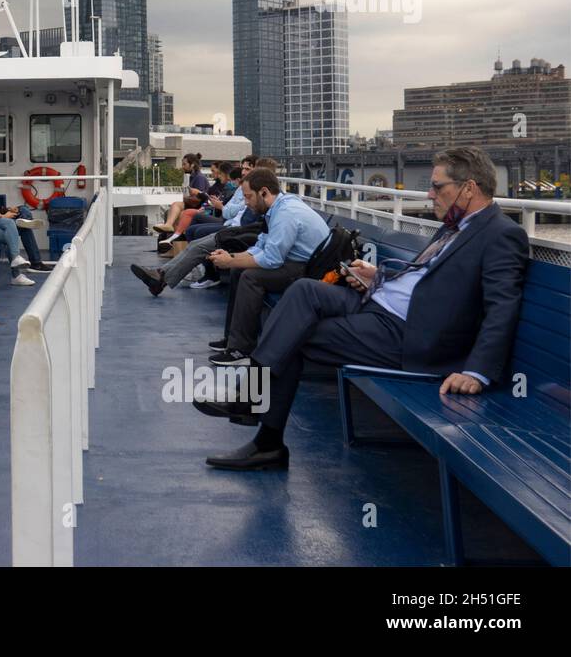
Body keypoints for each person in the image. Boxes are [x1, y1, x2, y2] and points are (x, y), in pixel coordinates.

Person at [193, 147, 529, 470]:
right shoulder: (453, 228)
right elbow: (425, 279)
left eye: (437, 186)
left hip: (407, 334)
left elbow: (502, 306)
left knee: (292, 336)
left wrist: (476, 371)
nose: (430, 194)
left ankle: (265, 437)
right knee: (304, 290)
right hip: (375, 303)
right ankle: (254, 406)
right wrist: (377, 276)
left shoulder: (501, 234)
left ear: (468, 188)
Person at [204, 167, 331, 365]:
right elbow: (261, 246)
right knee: (239, 270)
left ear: (263, 192)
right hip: (295, 262)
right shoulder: (277, 208)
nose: (246, 203)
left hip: (308, 271)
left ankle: (241, 350)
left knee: (250, 277)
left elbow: (272, 259)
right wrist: (232, 257)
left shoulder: (286, 214)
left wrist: (230, 261)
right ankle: (233, 340)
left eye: (248, 197)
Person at [131, 157, 274, 296]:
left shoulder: (268, 202)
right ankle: (161, 276)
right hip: (234, 228)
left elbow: (269, 248)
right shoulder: (256, 195)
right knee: (195, 241)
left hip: (237, 231)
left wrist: (232, 259)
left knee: (198, 243)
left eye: (249, 169)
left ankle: (162, 277)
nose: (247, 201)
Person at [0, 162, 52, 270]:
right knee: (24, 228)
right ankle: (35, 262)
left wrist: (8, 209)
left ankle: (25, 222)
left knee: (22, 209)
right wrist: (4, 216)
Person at [151, 153, 209, 237]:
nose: (182, 166)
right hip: (193, 204)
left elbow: (198, 199)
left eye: (184, 164)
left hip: (200, 206)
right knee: (170, 211)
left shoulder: (199, 178)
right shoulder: (191, 177)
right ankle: (171, 233)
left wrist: (185, 199)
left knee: (176, 205)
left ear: (192, 165)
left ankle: (172, 230)